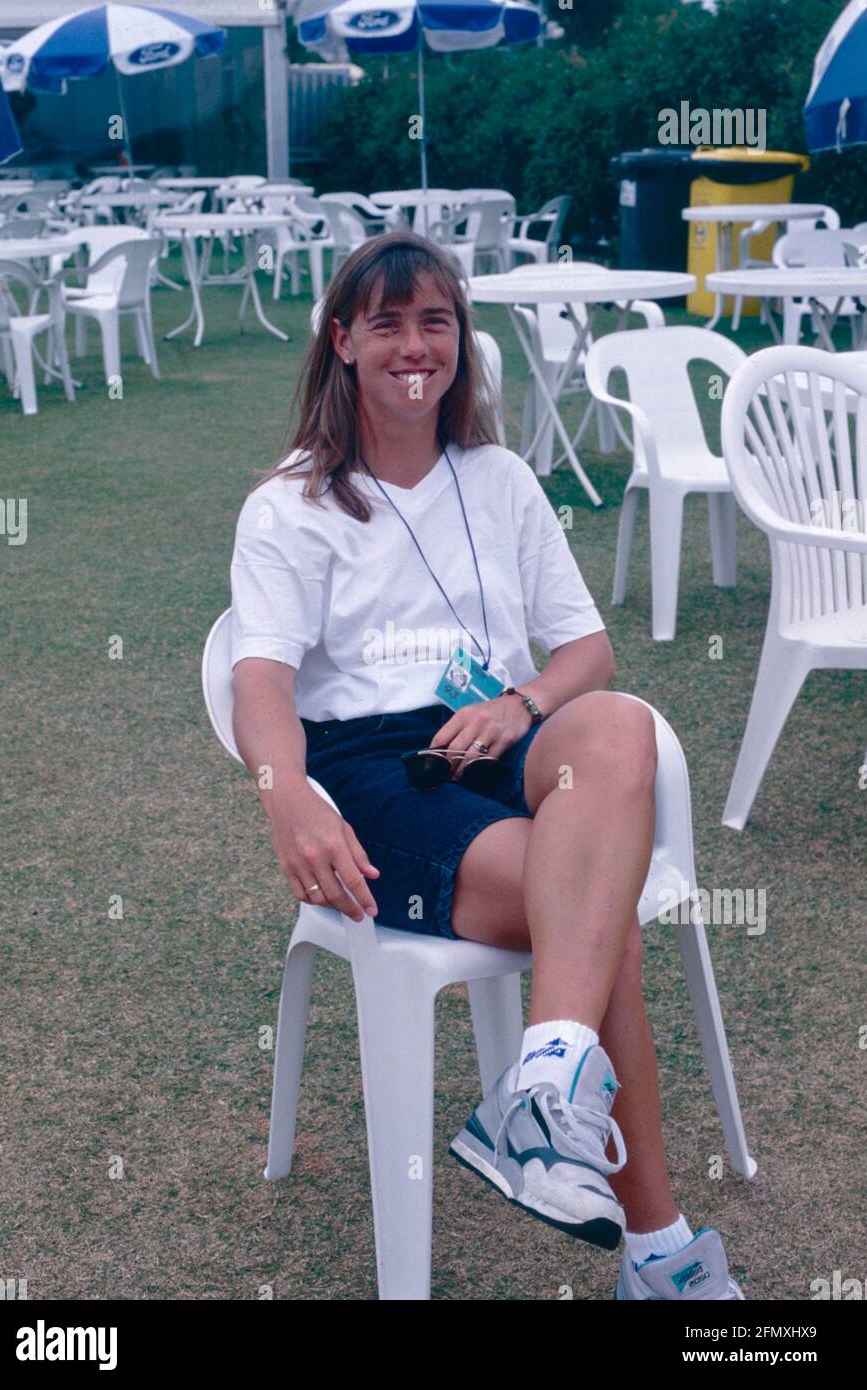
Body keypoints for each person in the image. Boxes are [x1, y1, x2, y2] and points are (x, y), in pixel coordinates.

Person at [229, 230, 744, 1301]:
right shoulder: (292, 504)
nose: (415, 346)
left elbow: (587, 650)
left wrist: (523, 704)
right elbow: (262, 685)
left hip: (503, 734)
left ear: (462, 341)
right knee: (592, 919)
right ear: (341, 342)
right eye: (387, 324)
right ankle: (658, 1252)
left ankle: (543, 1077)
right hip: (380, 767)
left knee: (612, 723)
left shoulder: (500, 477)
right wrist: (287, 802)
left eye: (437, 322)